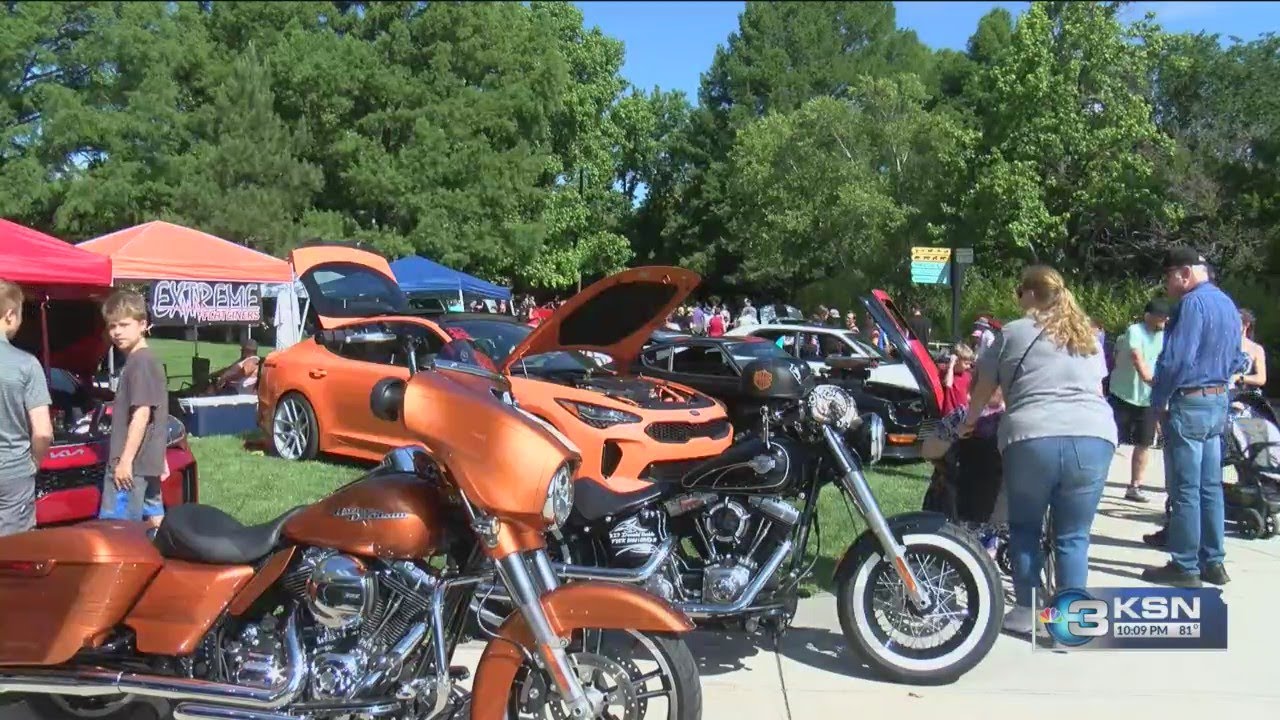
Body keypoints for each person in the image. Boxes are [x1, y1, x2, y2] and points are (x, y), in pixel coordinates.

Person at [960, 265, 1116, 635]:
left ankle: (1026, 612)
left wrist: (969, 422)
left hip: (1032, 437)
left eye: (1019, 291)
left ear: (1031, 294)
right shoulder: (1088, 335)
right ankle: (1071, 624)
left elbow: (983, 385)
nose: (1018, 299)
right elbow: (1097, 388)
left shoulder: (1013, 332)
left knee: (1025, 528)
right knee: (1074, 535)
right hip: (1093, 436)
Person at [1141, 247, 1242, 588]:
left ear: (1184, 274)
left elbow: (1176, 360)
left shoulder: (1190, 304)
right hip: (1217, 401)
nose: (1168, 285)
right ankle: (1213, 561)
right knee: (1210, 486)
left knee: (1185, 489)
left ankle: (1184, 565)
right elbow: (1237, 358)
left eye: (1169, 277)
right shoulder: (1227, 304)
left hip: (1189, 402)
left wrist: (1158, 400)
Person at [99, 290, 170, 528]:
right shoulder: (145, 361)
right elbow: (158, 413)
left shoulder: (140, 362)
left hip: (132, 466)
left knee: (118, 532)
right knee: (156, 523)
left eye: (124, 325)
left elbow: (142, 414)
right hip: (147, 462)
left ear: (142, 324)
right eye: (112, 326)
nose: (117, 332)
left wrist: (125, 461)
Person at [0, 280, 53, 536]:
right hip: (12, 470)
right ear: (10, 315)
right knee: (13, 550)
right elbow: (43, 432)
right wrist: (33, 464)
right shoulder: (27, 365)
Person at [1107, 299, 1170, 502]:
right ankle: (1097, 480)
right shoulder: (1135, 331)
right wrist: (1150, 380)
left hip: (1147, 400)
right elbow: (1137, 357)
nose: (1164, 320)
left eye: (1165, 317)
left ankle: (1134, 487)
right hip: (1123, 394)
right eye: (1160, 316)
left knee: (1144, 443)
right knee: (1111, 440)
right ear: (1148, 316)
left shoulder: (1166, 336)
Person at [1233, 308, 1267, 391]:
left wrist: (1238, 378)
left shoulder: (1256, 349)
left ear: (1246, 325)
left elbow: (1261, 378)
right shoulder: (1224, 346)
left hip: (1247, 395)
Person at [941, 343, 975, 416]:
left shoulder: (967, 376)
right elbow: (948, 384)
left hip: (963, 413)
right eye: (966, 364)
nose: (968, 366)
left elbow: (967, 395)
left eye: (969, 364)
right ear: (956, 360)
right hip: (950, 414)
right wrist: (951, 365)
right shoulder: (947, 373)